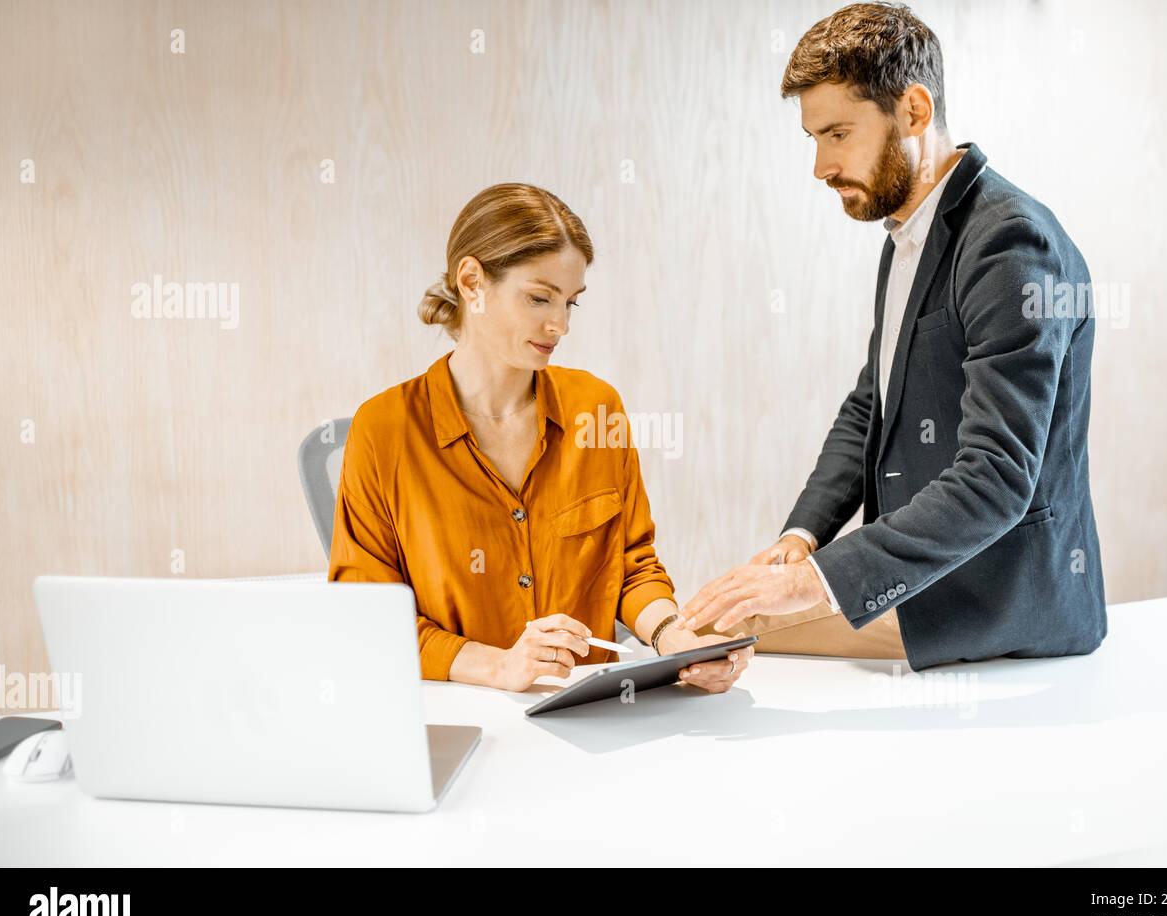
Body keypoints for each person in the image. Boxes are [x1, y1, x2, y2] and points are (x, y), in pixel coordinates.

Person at [679, 2, 1108, 670]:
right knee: (712, 621)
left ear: (913, 111)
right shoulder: (908, 233)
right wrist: (802, 536)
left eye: (837, 134)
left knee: (711, 628)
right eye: (812, 138)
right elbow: (872, 405)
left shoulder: (1007, 242)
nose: (819, 166)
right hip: (928, 586)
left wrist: (809, 584)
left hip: (997, 604)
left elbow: (997, 477)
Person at [328, 183, 754, 693]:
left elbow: (632, 565)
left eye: (572, 302)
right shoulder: (384, 430)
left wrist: (672, 636)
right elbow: (365, 618)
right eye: (538, 298)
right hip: (458, 714)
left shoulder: (597, 410)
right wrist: (497, 665)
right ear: (472, 282)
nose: (560, 325)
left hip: (591, 717)